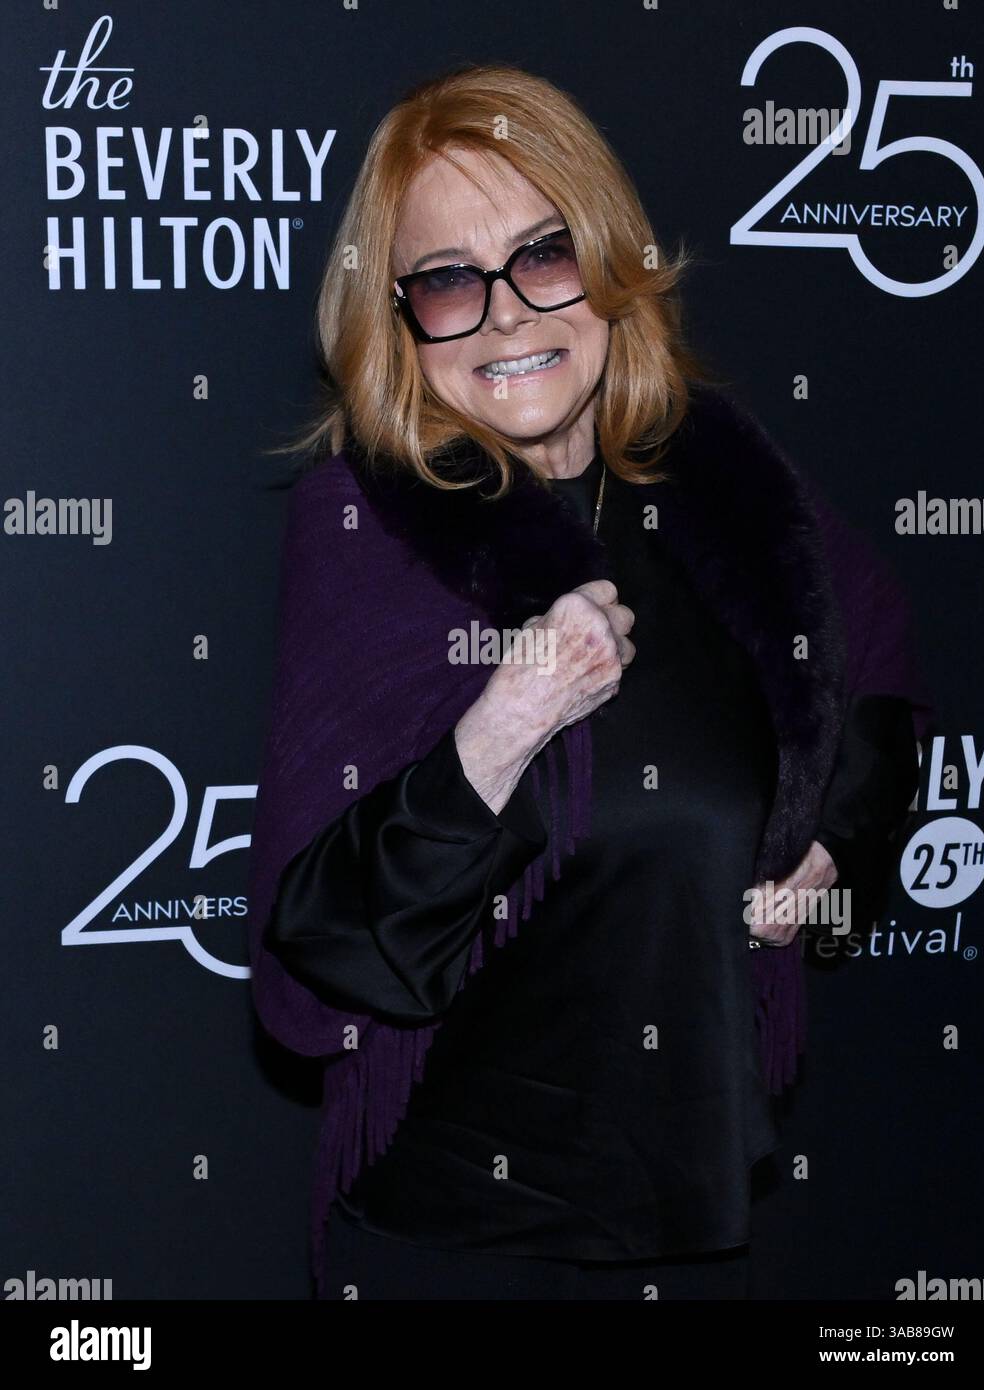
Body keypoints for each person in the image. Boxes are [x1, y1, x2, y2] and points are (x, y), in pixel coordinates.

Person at [246, 63, 934, 1301]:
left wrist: (830, 845)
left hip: (702, 1219)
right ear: (398, 321)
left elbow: (876, 666)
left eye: (544, 256)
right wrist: (500, 726)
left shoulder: (723, 485)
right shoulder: (367, 529)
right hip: (449, 1245)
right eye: (449, 281)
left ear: (609, 267)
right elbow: (316, 952)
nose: (506, 316)